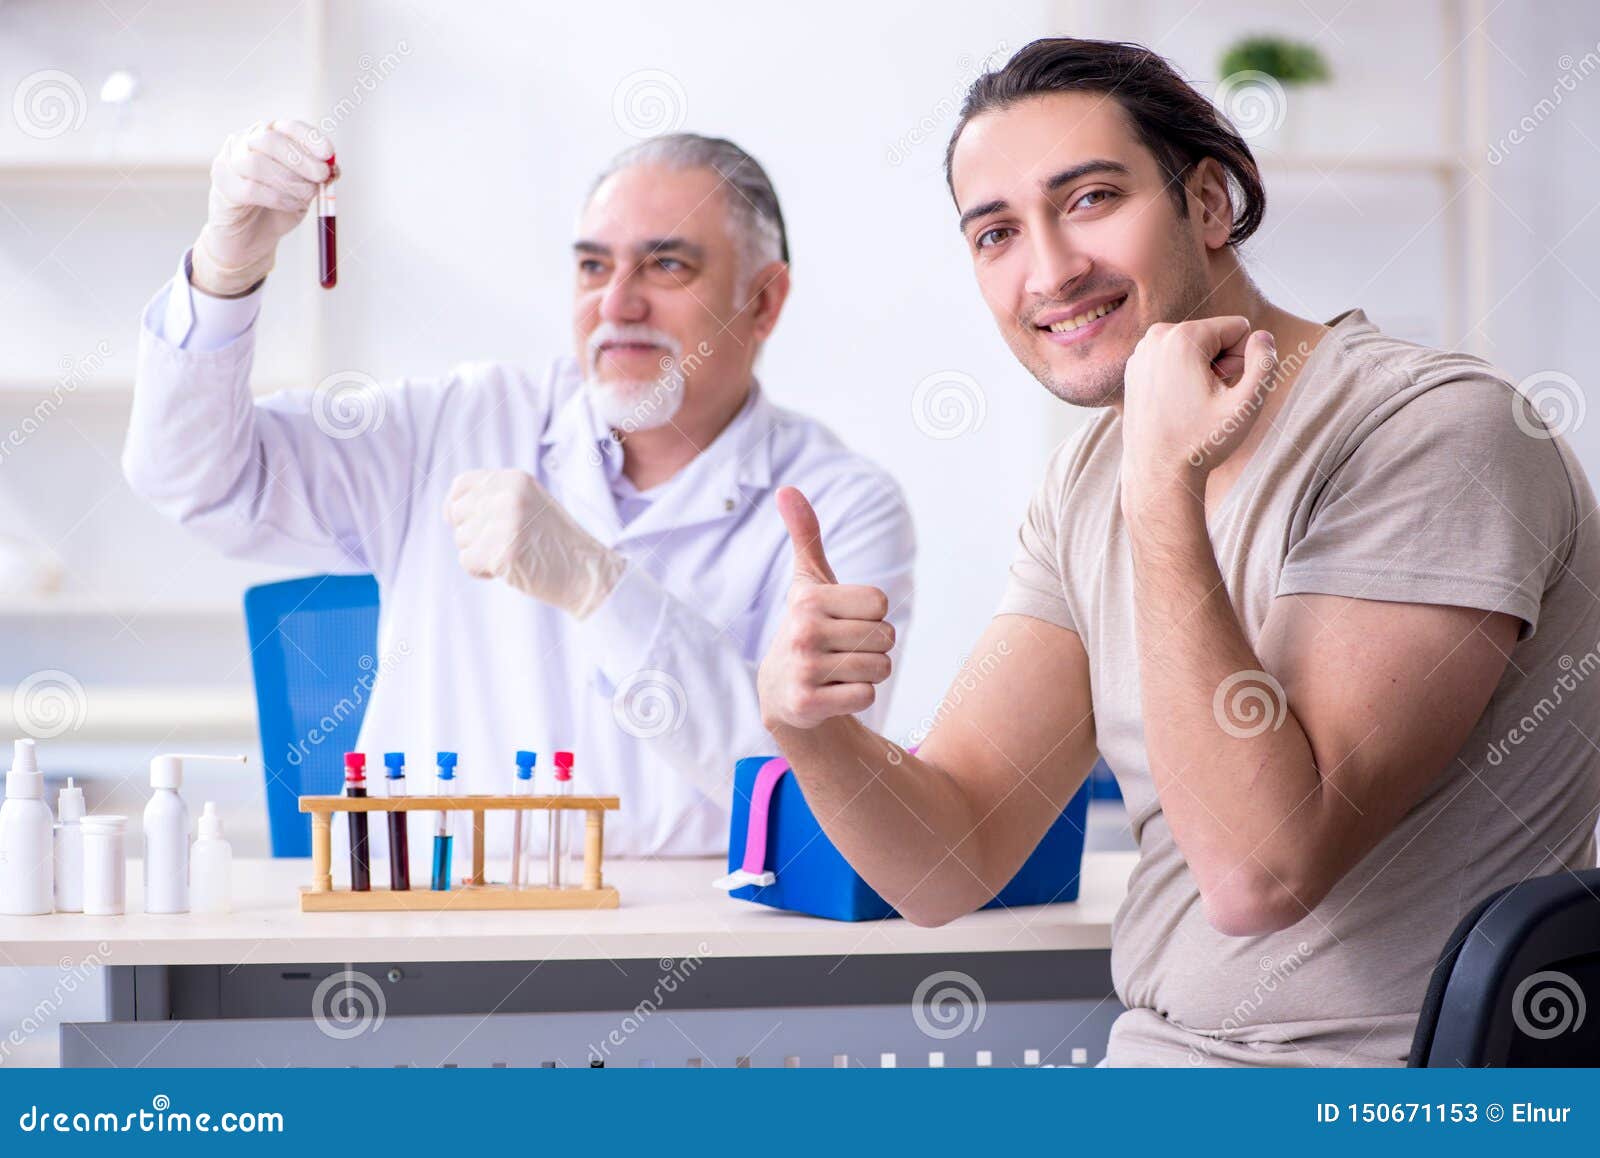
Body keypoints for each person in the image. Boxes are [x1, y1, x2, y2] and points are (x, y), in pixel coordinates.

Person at [755, 37, 1600, 1066]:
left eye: (1090, 199)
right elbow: (949, 860)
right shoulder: (1089, 480)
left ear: (1206, 203)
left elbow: (1260, 874)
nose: (1050, 271)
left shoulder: (1435, 434)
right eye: (996, 234)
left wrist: (1162, 494)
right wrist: (807, 729)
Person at [124, 124, 914, 858]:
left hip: (710, 936)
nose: (617, 304)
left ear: (764, 300)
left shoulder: (843, 507)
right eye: (594, 266)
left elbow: (819, 800)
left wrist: (600, 586)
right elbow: (193, 478)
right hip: (438, 931)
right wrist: (224, 275)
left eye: (667, 264)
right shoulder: (457, 423)